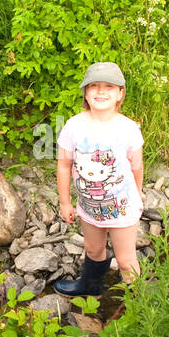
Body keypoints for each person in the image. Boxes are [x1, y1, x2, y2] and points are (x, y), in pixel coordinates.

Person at [54, 62, 144, 297]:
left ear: (120, 94)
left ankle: (139, 303)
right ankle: (90, 286)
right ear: (85, 92)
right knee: (93, 249)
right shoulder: (74, 126)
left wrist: (139, 192)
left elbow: (137, 166)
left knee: (126, 260)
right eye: (94, 86)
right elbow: (64, 165)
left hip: (122, 208)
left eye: (108, 87)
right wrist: (65, 202)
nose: (101, 92)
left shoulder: (128, 128)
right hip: (89, 207)